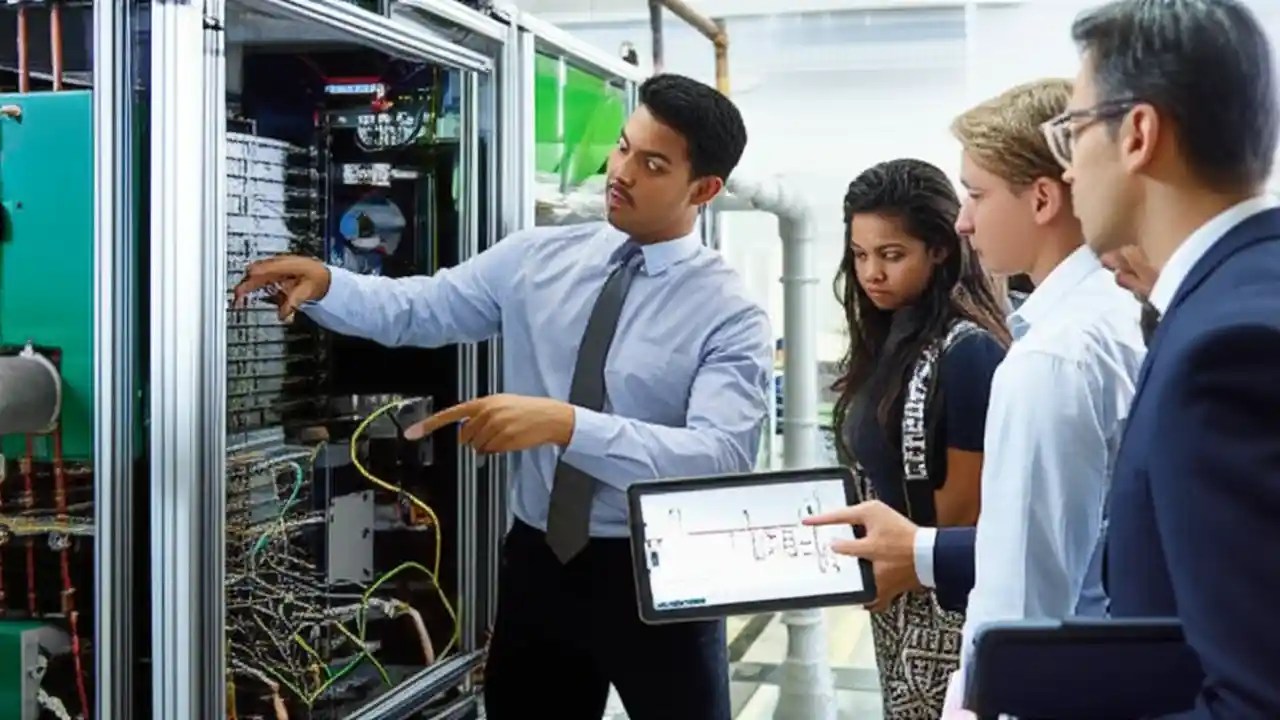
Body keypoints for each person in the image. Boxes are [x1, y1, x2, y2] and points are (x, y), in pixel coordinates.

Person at [233, 73, 770, 720]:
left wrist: (567, 425)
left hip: (665, 571)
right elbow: (422, 307)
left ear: (703, 190)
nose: (621, 171)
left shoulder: (729, 312)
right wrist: (329, 286)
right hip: (541, 563)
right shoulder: (539, 259)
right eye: (623, 147)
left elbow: (718, 456)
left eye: (651, 164)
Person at [810, 77, 1148, 701]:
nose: (964, 223)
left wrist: (979, 699)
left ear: (1043, 198)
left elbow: (1026, 587)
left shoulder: (1049, 357)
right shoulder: (1109, 317)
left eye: (976, 195)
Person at [1058, 0, 1280, 716]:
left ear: (1139, 134)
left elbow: (1252, 699)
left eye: (1072, 131)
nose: (1065, 173)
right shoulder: (1241, 292)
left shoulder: (1225, 350)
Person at [829, 158, 1010, 719]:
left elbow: (963, 515)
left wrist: (894, 565)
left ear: (938, 249)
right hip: (894, 603)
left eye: (891, 255)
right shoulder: (883, 346)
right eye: (860, 256)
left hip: (943, 611)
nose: (871, 274)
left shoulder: (968, 352)